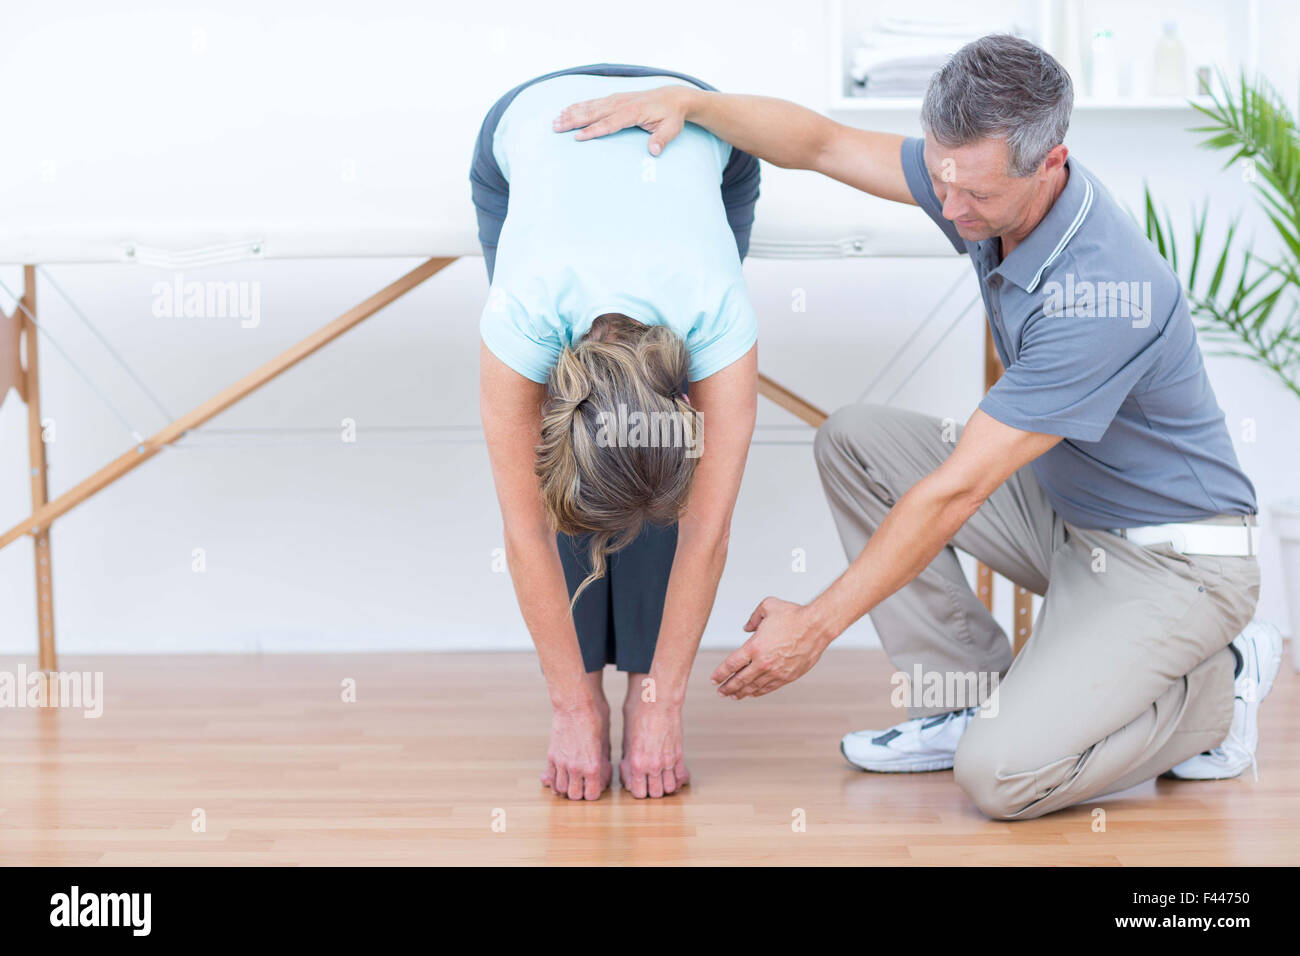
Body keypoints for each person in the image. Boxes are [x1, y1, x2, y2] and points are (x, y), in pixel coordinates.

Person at [553, 35, 1284, 819]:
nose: (952, 207)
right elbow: (824, 143)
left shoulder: (1101, 294)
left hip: (1173, 564)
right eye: (942, 179)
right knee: (857, 440)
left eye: (978, 196)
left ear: (1050, 163)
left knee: (1001, 777)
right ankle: (968, 691)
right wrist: (694, 106)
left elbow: (958, 490)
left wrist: (816, 626)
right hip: (1074, 518)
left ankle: (1223, 682)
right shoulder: (976, 176)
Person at [473, 64, 761, 800]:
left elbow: (707, 532)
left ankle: (637, 680)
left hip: (698, 116)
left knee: (646, 488)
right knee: (591, 485)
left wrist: (661, 702)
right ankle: (592, 684)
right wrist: (572, 709)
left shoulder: (716, 313)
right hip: (531, 119)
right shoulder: (523, 314)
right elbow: (524, 531)